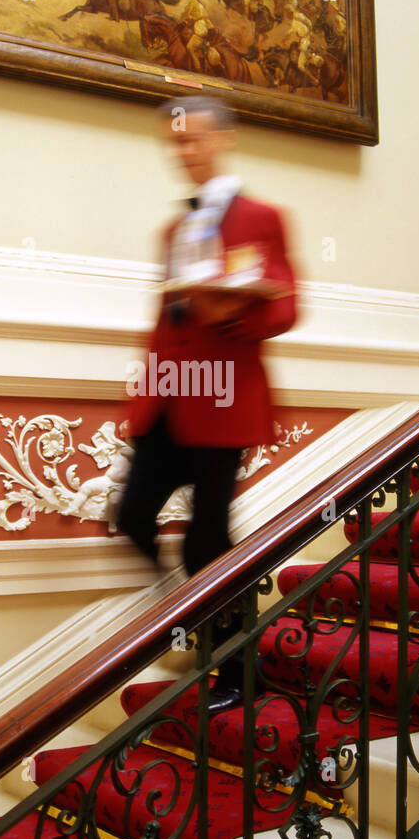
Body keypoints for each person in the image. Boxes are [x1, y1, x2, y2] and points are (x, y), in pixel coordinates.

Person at [117, 95, 298, 714]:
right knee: (133, 517)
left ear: (224, 140)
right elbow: (163, 323)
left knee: (207, 540)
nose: (184, 152)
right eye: (175, 143)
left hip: (225, 402)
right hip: (169, 401)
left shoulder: (263, 217)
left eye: (194, 140)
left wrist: (228, 311)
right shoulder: (171, 230)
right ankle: (186, 606)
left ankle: (233, 669)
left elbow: (286, 307)